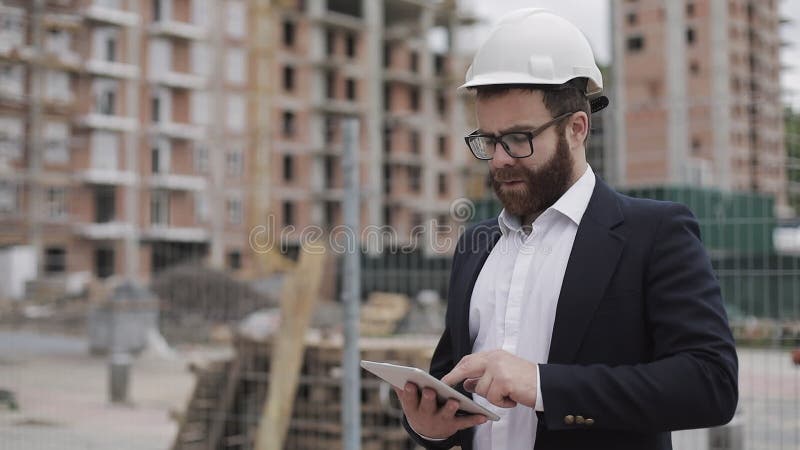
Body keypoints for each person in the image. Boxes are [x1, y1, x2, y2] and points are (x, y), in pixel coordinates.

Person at [395, 8, 738, 450]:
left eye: (518, 138)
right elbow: (451, 389)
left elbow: (711, 384)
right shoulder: (475, 246)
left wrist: (542, 385)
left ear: (577, 128)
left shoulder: (654, 234)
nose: (499, 159)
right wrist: (429, 426)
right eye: (488, 140)